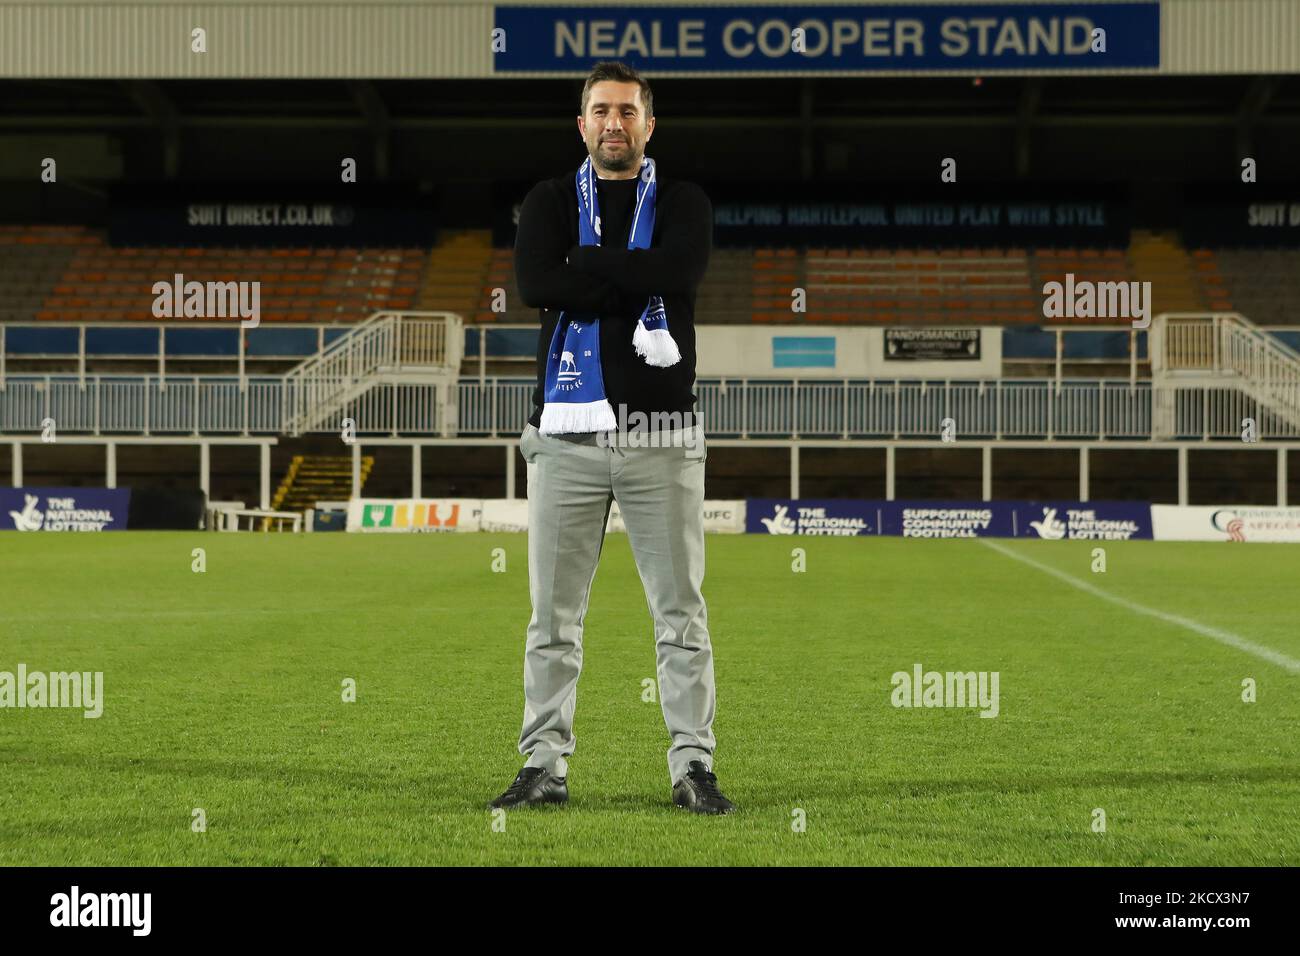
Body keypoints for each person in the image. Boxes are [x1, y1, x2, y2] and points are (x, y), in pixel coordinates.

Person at [489, 60, 734, 815]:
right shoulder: (551, 199)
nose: (614, 124)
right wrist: (631, 275)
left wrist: (589, 266)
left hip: (661, 434)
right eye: (600, 111)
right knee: (551, 617)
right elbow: (537, 284)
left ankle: (693, 766)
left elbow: (682, 270)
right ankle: (543, 767)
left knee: (680, 615)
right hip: (566, 439)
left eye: (627, 111)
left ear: (648, 124)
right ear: (582, 123)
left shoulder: (683, 200)